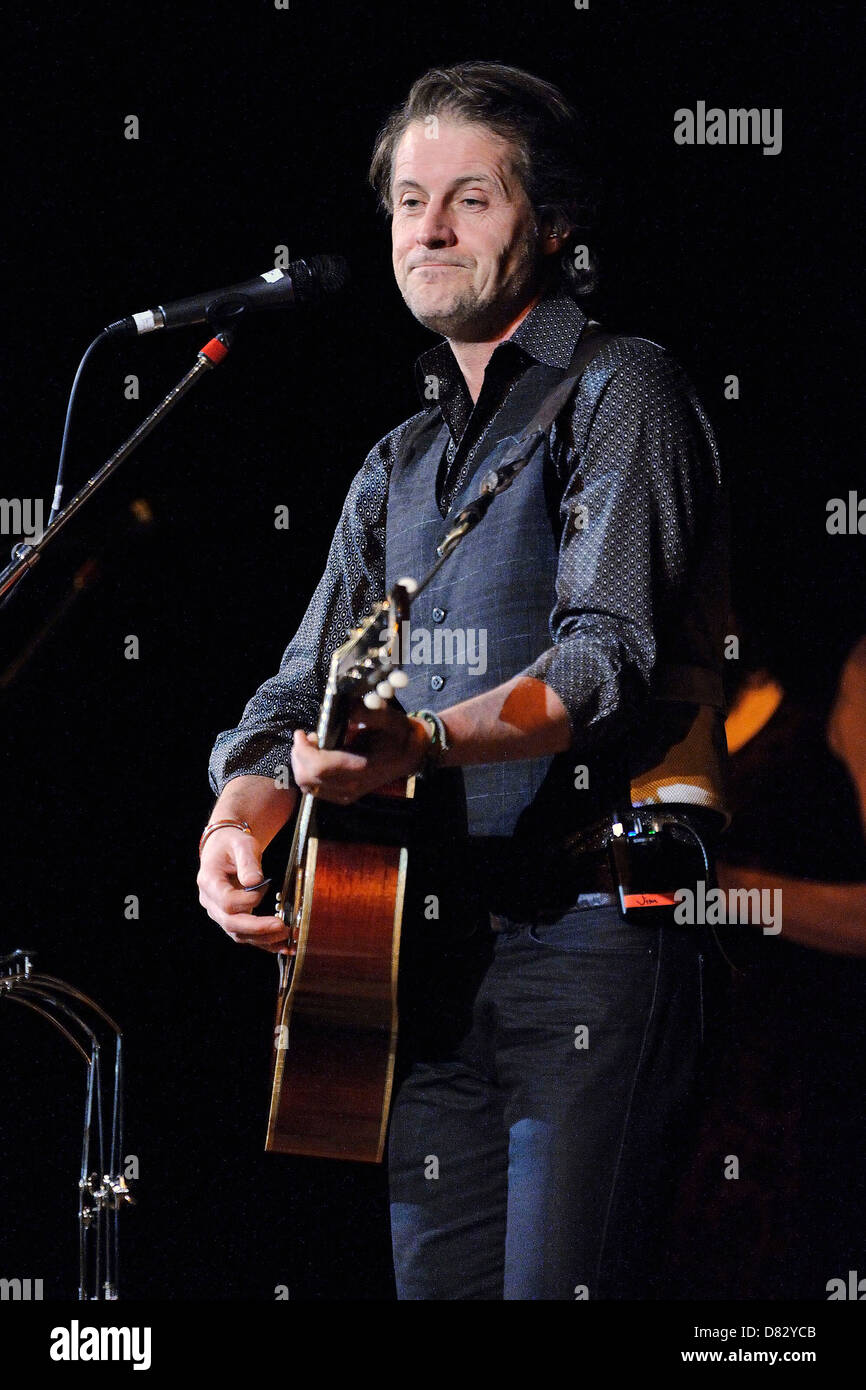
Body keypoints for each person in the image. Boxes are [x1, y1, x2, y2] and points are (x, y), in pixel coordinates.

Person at [197, 61, 730, 1300]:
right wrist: (239, 817)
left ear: (552, 226)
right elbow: (289, 701)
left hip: (588, 938)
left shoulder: (619, 386)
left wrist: (420, 742)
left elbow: (601, 658)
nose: (426, 228)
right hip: (412, 961)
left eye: (470, 199)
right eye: (406, 200)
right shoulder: (395, 463)